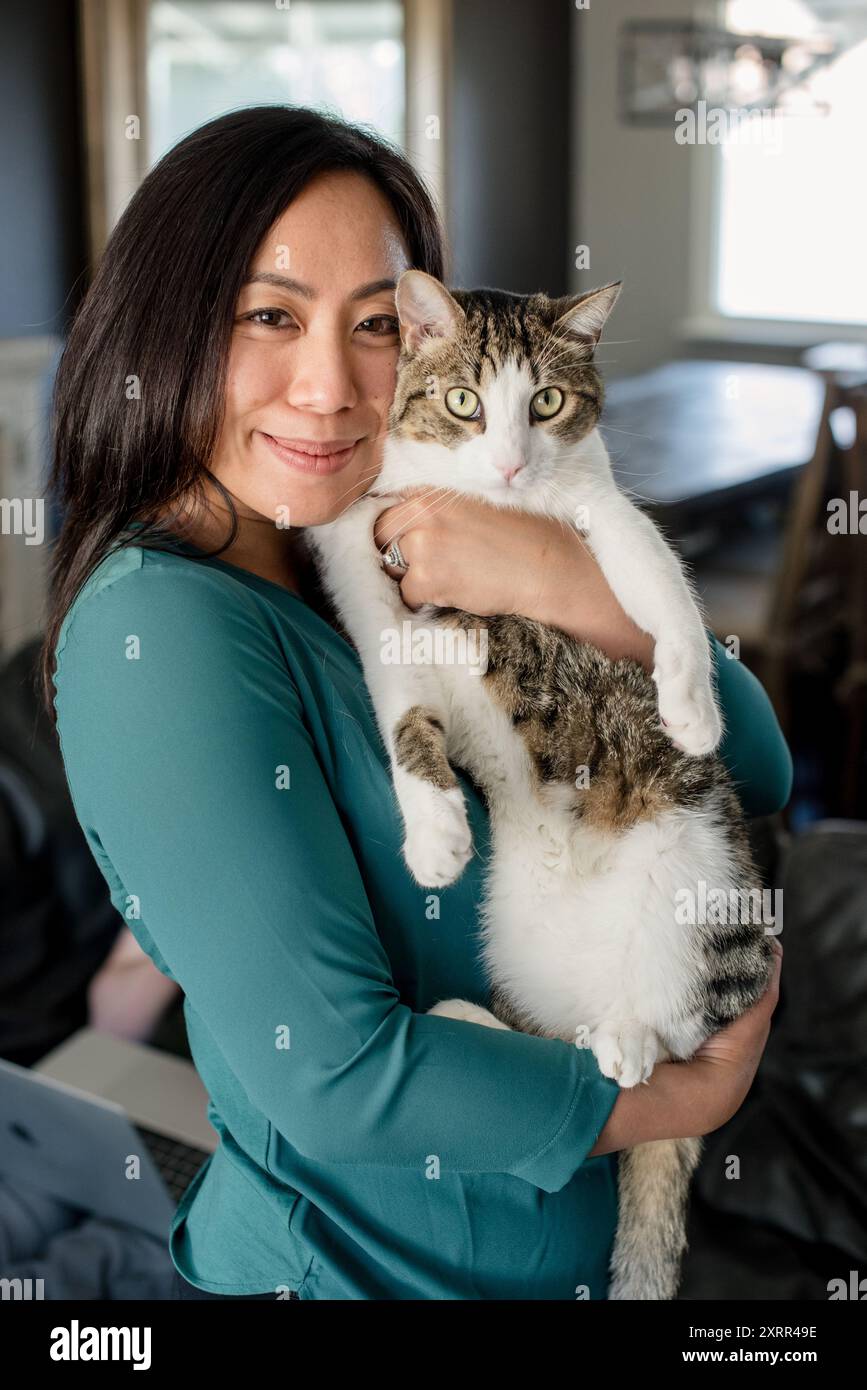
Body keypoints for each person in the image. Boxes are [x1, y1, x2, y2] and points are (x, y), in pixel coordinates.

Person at [42, 106, 787, 1301]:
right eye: (269, 315)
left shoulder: (363, 548)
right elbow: (338, 1077)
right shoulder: (160, 629)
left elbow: (748, 759)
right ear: (168, 322)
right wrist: (690, 1096)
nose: (331, 388)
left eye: (378, 324)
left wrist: (565, 580)